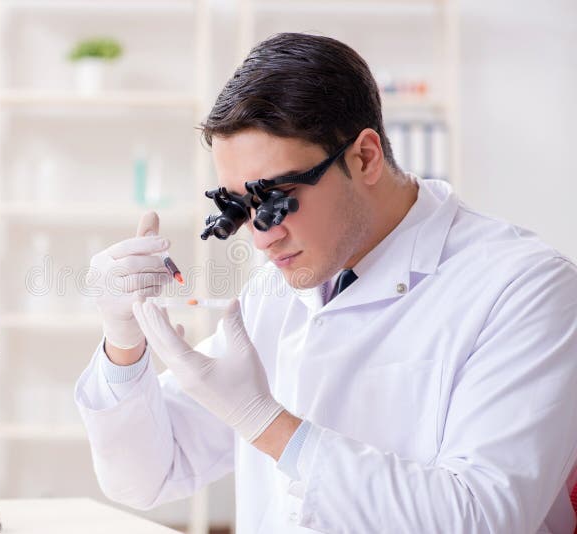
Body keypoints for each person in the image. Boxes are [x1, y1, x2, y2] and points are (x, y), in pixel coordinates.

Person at [75, 32, 577, 533]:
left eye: (277, 198)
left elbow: (484, 518)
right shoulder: (274, 291)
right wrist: (124, 345)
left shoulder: (525, 289)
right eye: (239, 209)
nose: (262, 239)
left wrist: (267, 424)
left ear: (365, 157)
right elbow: (145, 478)